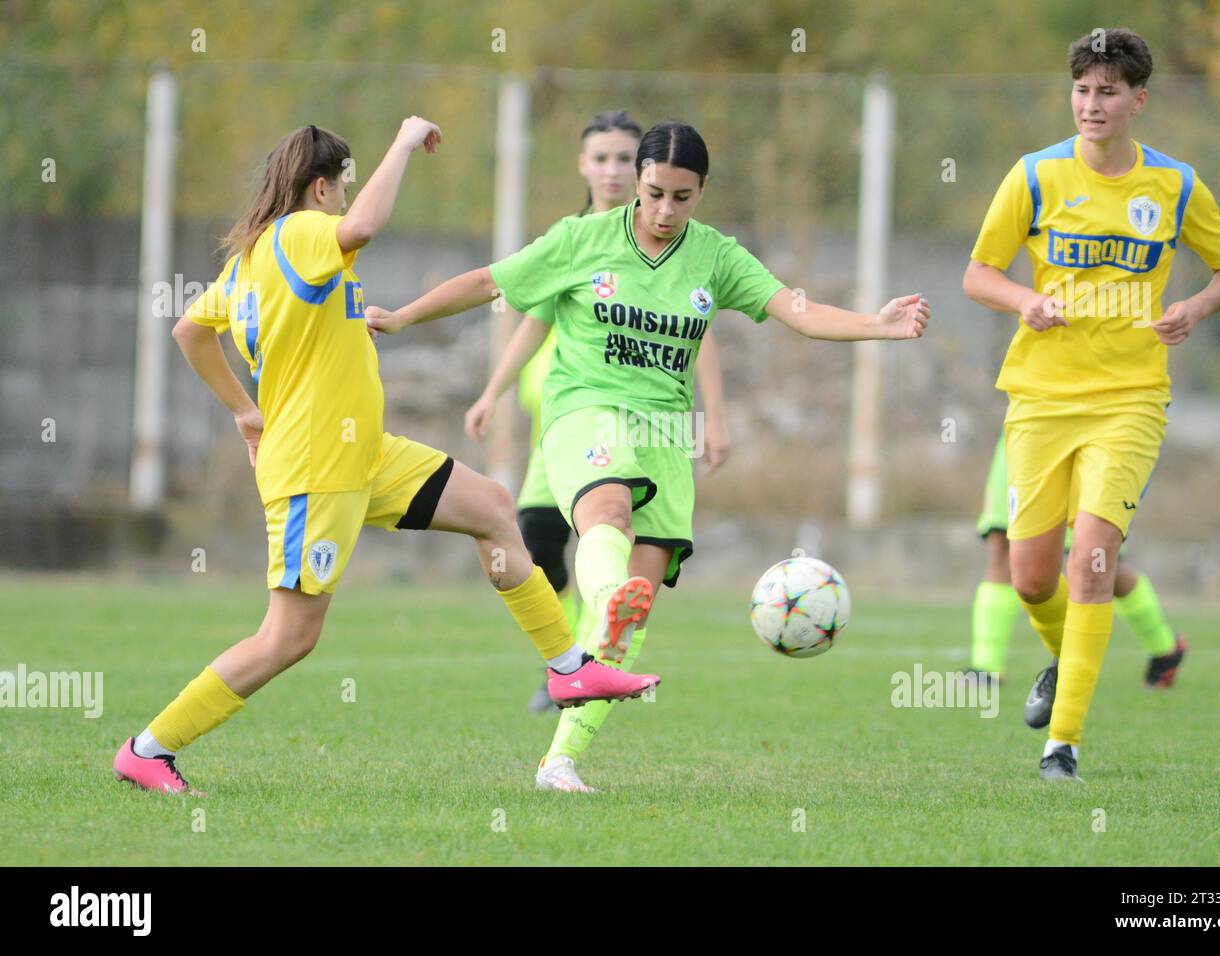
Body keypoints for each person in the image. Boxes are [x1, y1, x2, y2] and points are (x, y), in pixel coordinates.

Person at [366, 121, 929, 791]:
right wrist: (402, 318)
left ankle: (560, 761)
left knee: (630, 626)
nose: (665, 212)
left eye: (682, 198)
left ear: (702, 193)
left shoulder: (716, 258)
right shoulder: (582, 240)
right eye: (655, 193)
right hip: (585, 411)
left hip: (666, 437)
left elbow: (797, 311)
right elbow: (490, 283)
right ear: (636, 181)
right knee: (606, 510)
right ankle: (608, 600)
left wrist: (878, 323)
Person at [111, 117, 659, 795]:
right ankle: (148, 748)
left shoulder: (250, 260)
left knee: (491, 506)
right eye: (343, 183)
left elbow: (191, 330)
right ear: (321, 187)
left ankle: (568, 666)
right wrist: (402, 143)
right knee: (289, 637)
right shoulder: (303, 231)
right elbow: (361, 228)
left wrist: (244, 411)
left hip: (363, 455)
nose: (347, 196)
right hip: (316, 468)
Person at [963, 29, 1220, 780]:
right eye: (1083, 90)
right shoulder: (1033, 176)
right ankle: (1064, 658)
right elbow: (978, 273)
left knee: (1092, 560)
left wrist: (1194, 307)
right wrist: (1025, 301)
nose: (1092, 104)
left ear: (1138, 101)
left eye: (1108, 92)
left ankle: (1063, 744)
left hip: (1130, 401)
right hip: (1040, 400)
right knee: (1030, 576)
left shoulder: (1176, 185)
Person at [460, 110, 733, 722]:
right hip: (568, 414)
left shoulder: (684, 250)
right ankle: (569, 659)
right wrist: (493, 391)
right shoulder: (578, 237)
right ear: (586, 166)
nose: (612, 170)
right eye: (602, 158)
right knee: (535, 547)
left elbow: (700, 330)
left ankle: (579, 663)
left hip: (638, 418)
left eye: (621, 157)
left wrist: (714, 414)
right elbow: (530, 314)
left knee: (606, 530)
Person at [967, 432, 1187, 695]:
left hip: (1090, 431)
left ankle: (1164, 647)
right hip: (1027, 426)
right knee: (1002, 537)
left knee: (1096, 560)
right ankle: (987, 667)